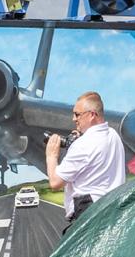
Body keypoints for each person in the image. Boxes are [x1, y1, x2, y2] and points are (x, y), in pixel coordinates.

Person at [45, 91, 125, 226]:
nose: (73, 119)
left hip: (88, 214)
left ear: (92, 115)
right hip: (112, 211)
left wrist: (51, 156)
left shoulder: (82, 146)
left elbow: (55, 183)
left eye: (77, 114)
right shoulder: (113, 135)